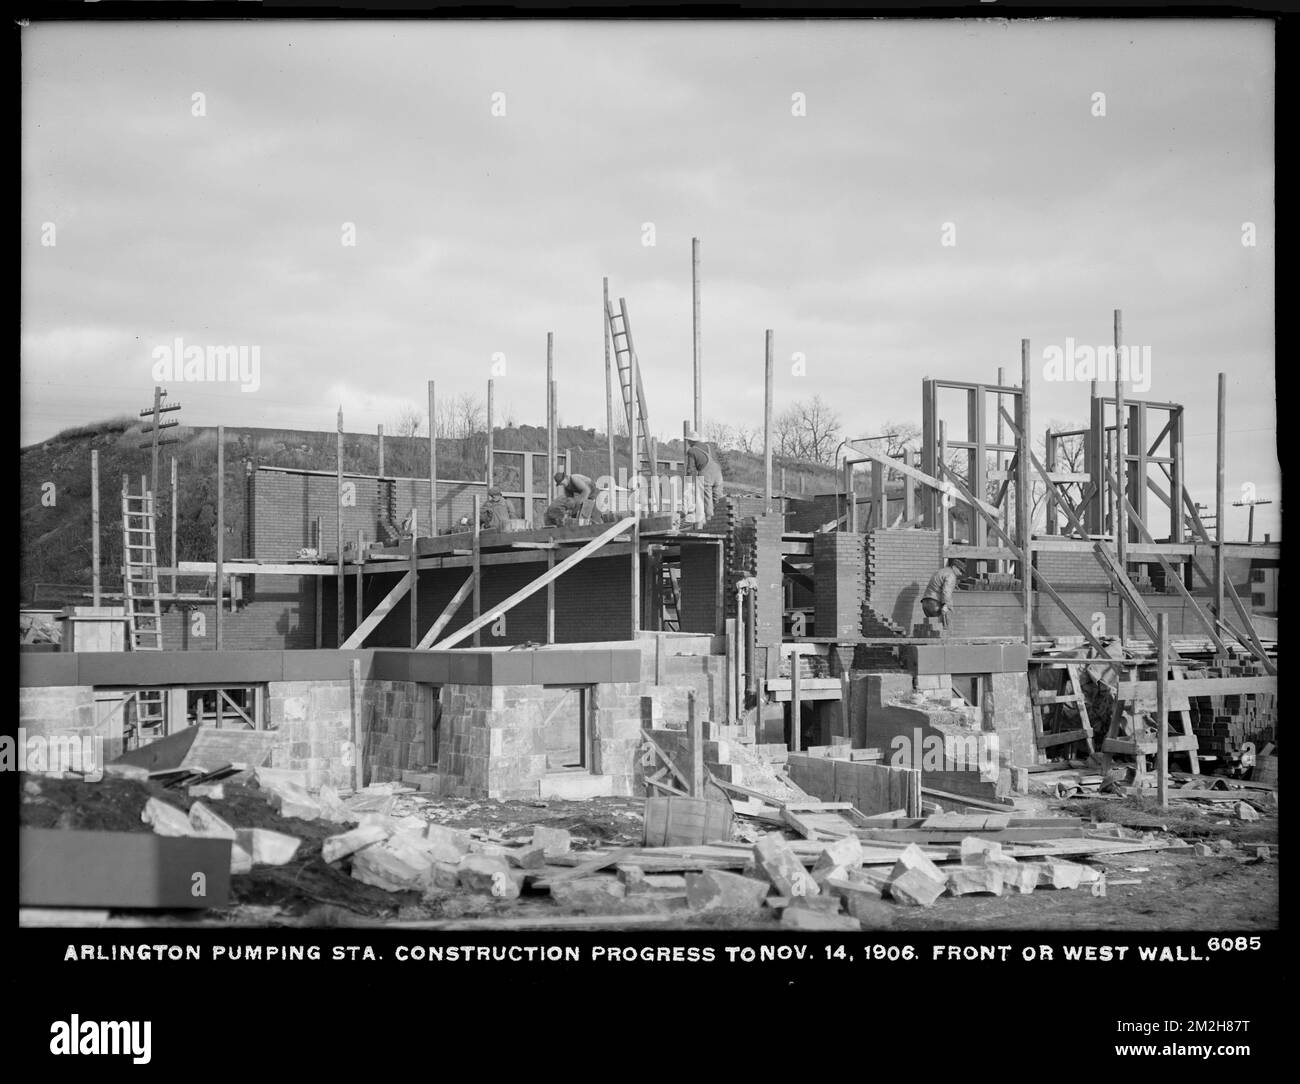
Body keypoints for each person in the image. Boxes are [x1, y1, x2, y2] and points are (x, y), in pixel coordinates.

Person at [684, 431, 725, 523]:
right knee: (717, 498)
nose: (687, 442)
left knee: (707, 500)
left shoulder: (691, 451)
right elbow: (715, 460)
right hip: (718, 473)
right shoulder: (708, 446)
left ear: (691, 441)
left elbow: (690, 468)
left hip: (706, 474)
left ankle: (709, 523)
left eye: (688, 440)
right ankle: (719, 520)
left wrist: (688, 482)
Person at [921, 559, 965, 632]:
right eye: (960, 570)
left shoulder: (941, 571)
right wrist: (946, 605)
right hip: (935, 604)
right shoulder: (951, 575)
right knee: (942, 629)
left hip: (926, 603)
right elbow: (946, 592)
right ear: (954, 567)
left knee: (933, 629)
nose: (961, 574)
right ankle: (944, 642)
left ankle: (933, 642)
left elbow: (936, 585)